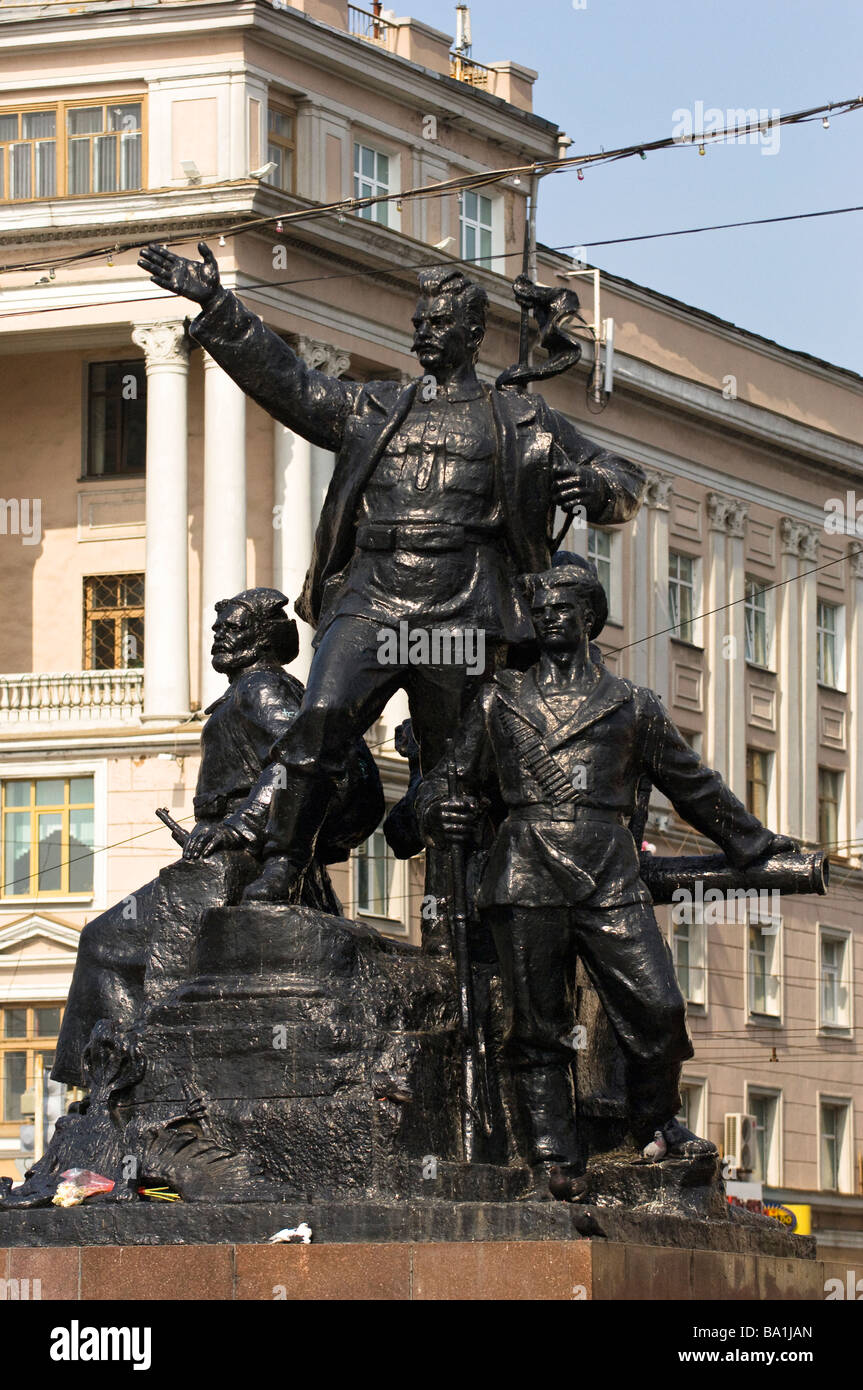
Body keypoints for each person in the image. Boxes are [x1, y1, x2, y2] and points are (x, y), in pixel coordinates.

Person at [136, 242, 646, 904]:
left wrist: (591, 485)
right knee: (317, 722)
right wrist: (217, 305)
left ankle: (457, 913)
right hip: (373, 596)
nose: (425, 335)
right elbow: (288, 383)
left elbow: (623, 476)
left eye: (438, 324)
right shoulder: (373, 407)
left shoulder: (520, 418)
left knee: (455, 771)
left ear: (470, 333)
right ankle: (284, 861)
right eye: (418, 325)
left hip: (464, 605)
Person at [416, 554, 797, 1174]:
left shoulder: (632, 704)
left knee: (660, 1010)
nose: (550, 620)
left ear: (591, 617)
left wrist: (754, 843)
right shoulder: (498, 701)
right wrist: (443, 813)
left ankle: (648, 1125)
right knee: (537, 1024)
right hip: (525, 869)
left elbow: (693, 785)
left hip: (610, 872)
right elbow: (447, 781)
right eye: (540, 612)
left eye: (563, 610)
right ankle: (552, 1155)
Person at [52, 588, 382, 1087]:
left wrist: (238, 827)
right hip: (239, 851)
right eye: (219, 629)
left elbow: (301, 762)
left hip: (242, 856)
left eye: (233, 629)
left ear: (265, 638)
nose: (219, 637)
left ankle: (108, 1085)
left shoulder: (262, 689)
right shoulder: (249, 691)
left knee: (104, 940)